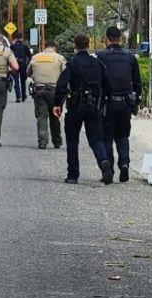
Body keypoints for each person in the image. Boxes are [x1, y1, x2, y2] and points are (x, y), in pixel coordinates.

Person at [53, 33, 113, 184]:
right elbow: (108, 86)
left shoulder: (73, 64)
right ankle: (103, 161)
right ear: (88, 45)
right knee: (96, 139)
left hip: (75, 105)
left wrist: (57, 104)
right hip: (94, 106)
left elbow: (61, 84)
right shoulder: (98, 63)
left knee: (72, 140)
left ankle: (73, 175)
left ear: (75, 46)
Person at [96, 26, 142, 183]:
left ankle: (109, 168)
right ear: (120, 39)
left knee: (107, 137)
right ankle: (124, 163)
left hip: (107, 104)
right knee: (123, 136)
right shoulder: (130, 57)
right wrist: (136, 102)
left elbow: (97, 81)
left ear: (106, 39)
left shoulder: (100, 56)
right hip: (125, 103)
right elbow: (137, 82)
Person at [27, 40, 67, 149]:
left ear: (45, 47)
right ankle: (57, 141)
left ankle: (42, 142)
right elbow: (66, 74)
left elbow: (28, 73)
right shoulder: (60, 58)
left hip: (39, 90)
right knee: (55, 116)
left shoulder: (35, 57)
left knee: (41, 116)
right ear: (54, 48)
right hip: (54, 91)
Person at [10, 32, 33, 102]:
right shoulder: (25, 46)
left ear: (15, 38)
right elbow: (30, 56)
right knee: (23, 81)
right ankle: (23, 96)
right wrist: (27, 63)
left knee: (16, 81)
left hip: (14, 65)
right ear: (22, 38)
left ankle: (18, 97)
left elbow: (9, 55)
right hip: (23, 65)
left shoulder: (12, 46)